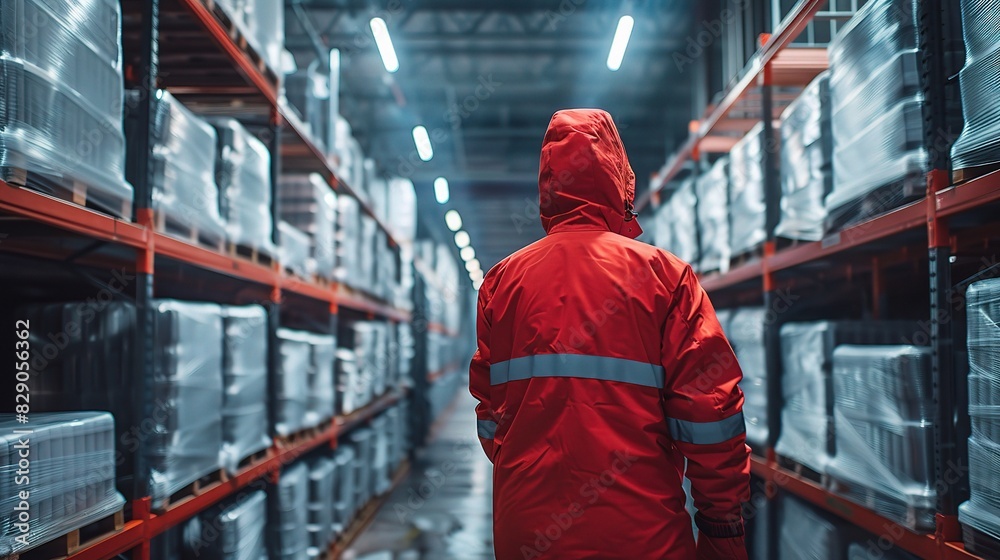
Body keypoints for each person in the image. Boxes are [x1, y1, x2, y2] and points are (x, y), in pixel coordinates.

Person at [469, 109, 751, 559]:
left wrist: (533, 472)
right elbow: (710, 413)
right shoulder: (666, 277)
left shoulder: (502, 282)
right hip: (641, 535)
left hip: (527, 534)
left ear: (547, 184)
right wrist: (722, 523)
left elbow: (490, 416)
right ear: (620, 177)